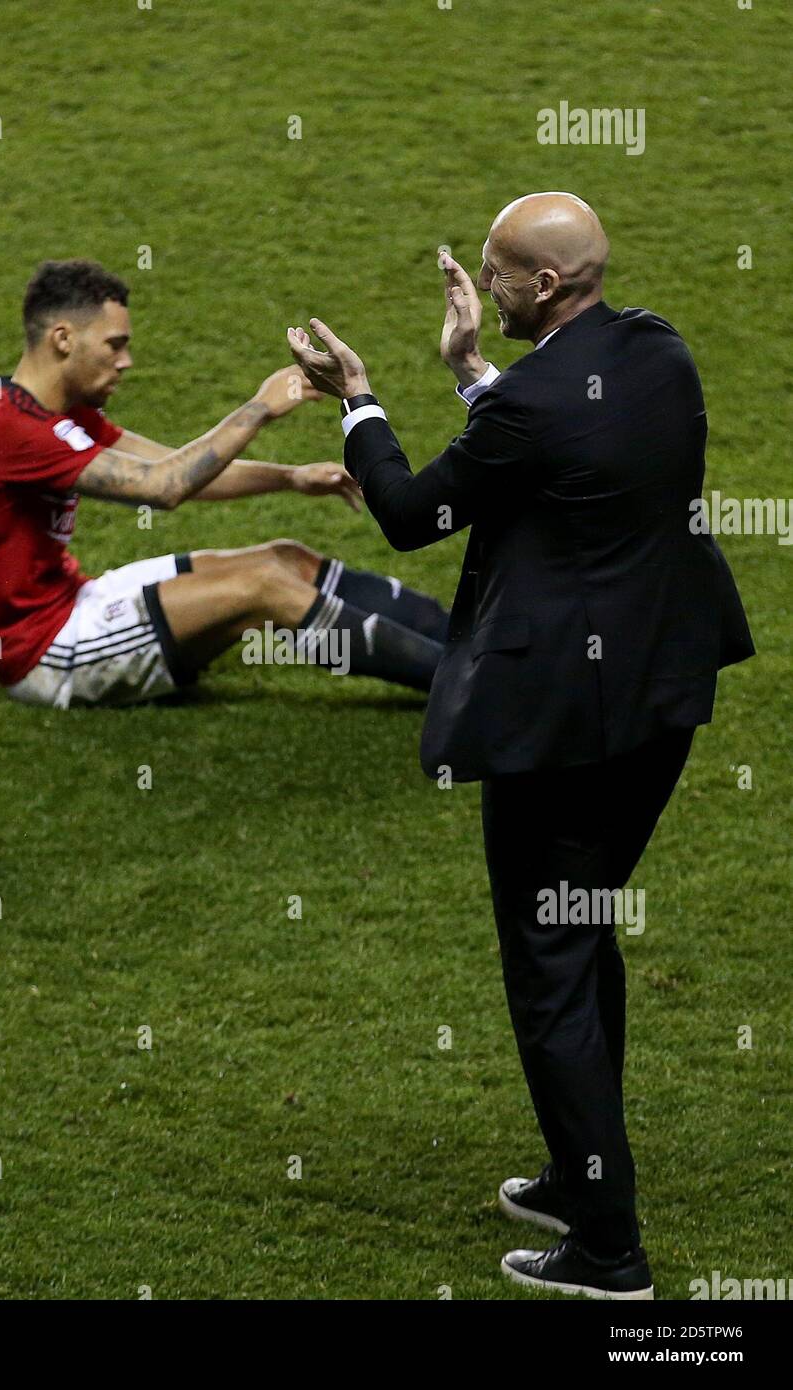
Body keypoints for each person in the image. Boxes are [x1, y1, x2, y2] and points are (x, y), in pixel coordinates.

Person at [288, 192, 754, 1300]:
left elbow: (408, 512)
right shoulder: (656, 352)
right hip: (660, 699)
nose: (479, 289)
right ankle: (573, 1173)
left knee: (548, 970)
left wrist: (358, 396)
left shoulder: (531, 406)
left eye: (493, 275)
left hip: (558, 727)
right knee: (583, 938)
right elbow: (553, 439)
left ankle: (608, 1252)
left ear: (544, 286)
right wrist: (468, 370)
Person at [0, 259, 448, 708]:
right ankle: (464, 683)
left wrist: (289, 478)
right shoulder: (16, 433)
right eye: (115, 345)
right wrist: (260, 408)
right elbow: (164, 487)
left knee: (284, 558)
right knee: (263, 588)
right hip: (43, 651)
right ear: (63, 339)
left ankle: (462, 637)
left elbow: (177, 466)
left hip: (75, 599)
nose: (126, 362)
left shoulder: (46, 410)